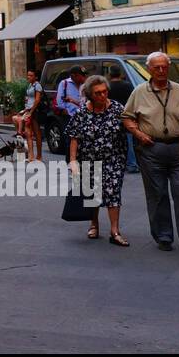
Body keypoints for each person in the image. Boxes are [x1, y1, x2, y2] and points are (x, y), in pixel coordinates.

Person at [122, 52, 179, 254]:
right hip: (151, 149)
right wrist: (139, 134)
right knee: (157, 194)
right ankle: (163, 236)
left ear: (169, 67)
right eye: (156, 67)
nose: (161, 70)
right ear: (149, 69)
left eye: (164, 67)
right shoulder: (139, 92)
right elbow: (127, 118)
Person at [67, 74, 129, 246]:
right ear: (89, 95)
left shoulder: (117, 108)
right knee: (93, 193)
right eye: (98, 93)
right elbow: (74, 137)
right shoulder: (82, 112)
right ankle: (94, 224)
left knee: (113, 191)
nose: (103, 96)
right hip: (88, 158)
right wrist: (73, 161)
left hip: (114, 158)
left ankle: (115, 231)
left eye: (104, 92)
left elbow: (130, 125)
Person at [106, 67, 138, 174]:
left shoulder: (108, 86)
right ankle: (132, 164)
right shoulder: (127, 85)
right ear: (120, 75)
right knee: (128, 141)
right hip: (126, 116)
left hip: (111, 117)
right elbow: (133, 100)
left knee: (112, 141)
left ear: (110, 75)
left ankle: (114, 164)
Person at [14, 69, 44, 162]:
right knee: (28, 134)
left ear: (36, 77)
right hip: (28, 110)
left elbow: (37, 100)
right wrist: (25, 110)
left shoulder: (37, 85)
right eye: (28, 75)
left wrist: (31, 111)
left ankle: (39, 156)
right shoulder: (30, 85)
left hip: (35, 112)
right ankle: (31, 156)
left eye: (31, 75)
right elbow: (29, 99)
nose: (28, 77)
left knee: (37, 133)